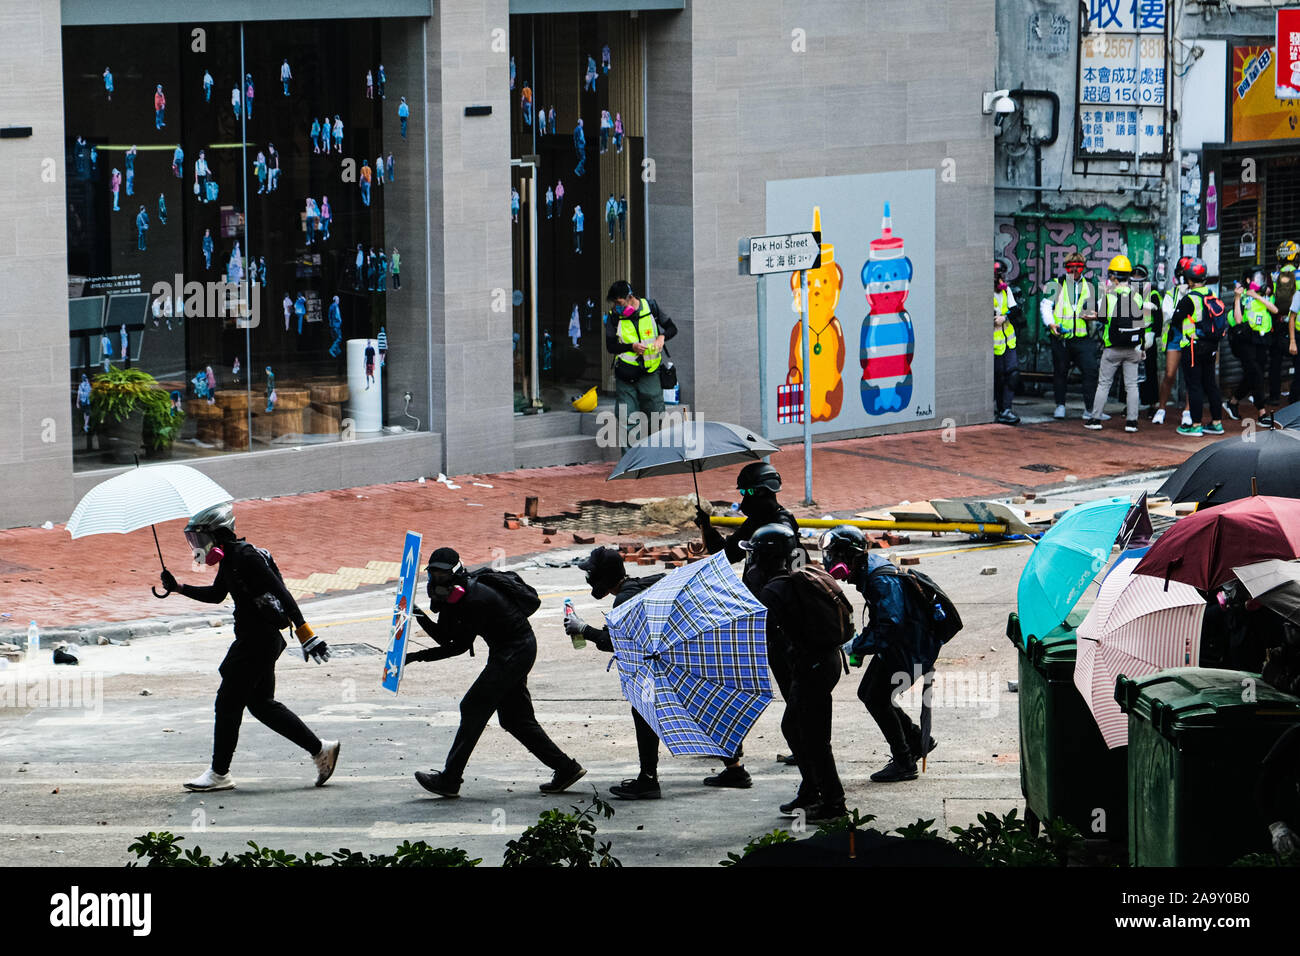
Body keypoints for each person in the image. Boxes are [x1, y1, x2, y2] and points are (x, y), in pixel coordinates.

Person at [157, 503, 338, 792]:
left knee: (227, 701)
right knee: (261, 704)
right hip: (257, 639)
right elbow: (217, 595)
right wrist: (179, 588)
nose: (197, 547)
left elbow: (282, 592)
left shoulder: (246, 556)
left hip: (258, 640)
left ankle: (219, 773)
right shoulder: (230, 558)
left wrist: (307, 633)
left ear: (219, 535)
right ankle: (321, 750)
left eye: (200, 540)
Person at [405, 548, 586, 798]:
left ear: (455, 575)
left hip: (515, 652)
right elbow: (445, 635)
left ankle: (449, 779)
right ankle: (566, 768)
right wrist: (415, 614)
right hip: (510, 652)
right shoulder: (456, 596)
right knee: (515, 720)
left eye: (442, 575)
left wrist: (416, 655)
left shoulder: (472, 599)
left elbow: (456, 646)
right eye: (433, 575)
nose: (437, 581)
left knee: (472, 706)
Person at [691, 462, 800, 789]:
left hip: (778, 623)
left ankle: (744, 760)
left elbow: (792, 577)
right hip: (754, 620)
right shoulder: (756, 523)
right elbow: (726, 554)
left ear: (764, 493)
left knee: (785, 682)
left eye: (747, 493)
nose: (743, 501)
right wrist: (706, 526)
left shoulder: (782, 528)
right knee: (779, 682)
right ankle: (796, 744)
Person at [740, 524, 847, 822]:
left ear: (763, 558)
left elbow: (756, 630)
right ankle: (811, 790)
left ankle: (834, 804)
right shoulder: (795, 578)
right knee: (797, 729)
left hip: (812, 669)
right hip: (825, 663)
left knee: (813, 738)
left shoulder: (774, 590)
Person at [823, 525, 936, 783]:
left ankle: (905, 761)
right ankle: (917, 741)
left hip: (910, 646)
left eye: (833, 554)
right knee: (872, 694)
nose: (829, 560)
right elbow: (883, 621)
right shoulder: (867, 570)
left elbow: (890, 625)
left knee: (875, 697)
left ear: (849, 555)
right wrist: (862, 643)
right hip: (902, 643)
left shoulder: (879, 579)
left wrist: (857, 646)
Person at [563, 547, 666, 799]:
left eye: (592, 574)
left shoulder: (624, 599)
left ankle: (649, 780)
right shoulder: (638, 587)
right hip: (672, 659)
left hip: (665, 664)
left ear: (604, 576)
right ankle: (734, 767)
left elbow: (614, 642)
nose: (589, 580)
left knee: (643, 710)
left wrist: (583, 629)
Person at [1085, 254, 1150, 433]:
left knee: (1104, 384)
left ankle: (1095, 419)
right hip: (1132, 348)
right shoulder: (1137, 297)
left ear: (1113, 276)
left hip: (1112, 348)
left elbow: (1104, 319)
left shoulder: (1109, 296)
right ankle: (1132, 422)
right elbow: (1142, 324)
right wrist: (1142, 348)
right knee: (1132, 385)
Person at [605, 280, 676, 441]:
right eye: (615, 303)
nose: (617, 306)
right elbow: (610, 347)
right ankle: (631, 463)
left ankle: (651, 457)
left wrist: (662, 337)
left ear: (629, 297)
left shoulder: (651, 307)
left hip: (650, 373)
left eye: (619, 302)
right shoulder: (614, 317)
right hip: (625, 373)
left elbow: (672, 328)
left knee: (656, 416)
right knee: (626, 418)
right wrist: (631, 347)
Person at [1040, 253, 1099, 419]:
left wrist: (1095, 316)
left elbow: (1099, 309)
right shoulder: (1056, 284)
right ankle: (1060, 405)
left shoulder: (1090, 286)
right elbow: (1045, 306)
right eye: (1070, 267)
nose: (1074, 270)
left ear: (1083, 268)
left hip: (1082, 337)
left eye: (1078, 267)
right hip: (1061, 337)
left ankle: (1089, 408)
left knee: (1090, 371)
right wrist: (1051, 323)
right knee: (1060, 372)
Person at [1173, 258, 1225, 437]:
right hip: (1211, 346)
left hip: (1193, 347)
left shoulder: (1189, 298)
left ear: (1188, 278)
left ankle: (1196, 425)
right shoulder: (1211, 294)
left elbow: (1175, 320)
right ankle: (1217, 423)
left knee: (1194, 386)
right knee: (1211, 384)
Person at [1226, 273, 1278, 426]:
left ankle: (1233, 401)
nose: (1260, 282)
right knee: (1255, 373)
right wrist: (1237, 298)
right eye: (1257, 279)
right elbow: (1238, 319)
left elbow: (1274, 310)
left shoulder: (1266, 296)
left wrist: (1257, 296)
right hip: (1245, 340)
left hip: (1262, 339)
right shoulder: (1241, 297)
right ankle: (1262, 412)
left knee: (1254, 374)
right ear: (1248, 280)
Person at [1152, 256, 1193, 427]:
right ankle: (1161, 408)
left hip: (1192, 336)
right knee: (1169, 374)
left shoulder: (1197, 292)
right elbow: (1168, 315)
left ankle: (1188, 411)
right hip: (1176, 335)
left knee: (1191, 376)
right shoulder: (1172, 293)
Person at [992, 260, 1020, 425]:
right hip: (994, 343)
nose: (1001, 278)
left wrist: (1006, 316)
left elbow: (1015, 310)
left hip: (1008, 340)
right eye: (998, 275)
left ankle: (1007, 409)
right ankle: (999, 408)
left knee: (1012, 374)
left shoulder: (1005, 291)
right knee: (998, 377)